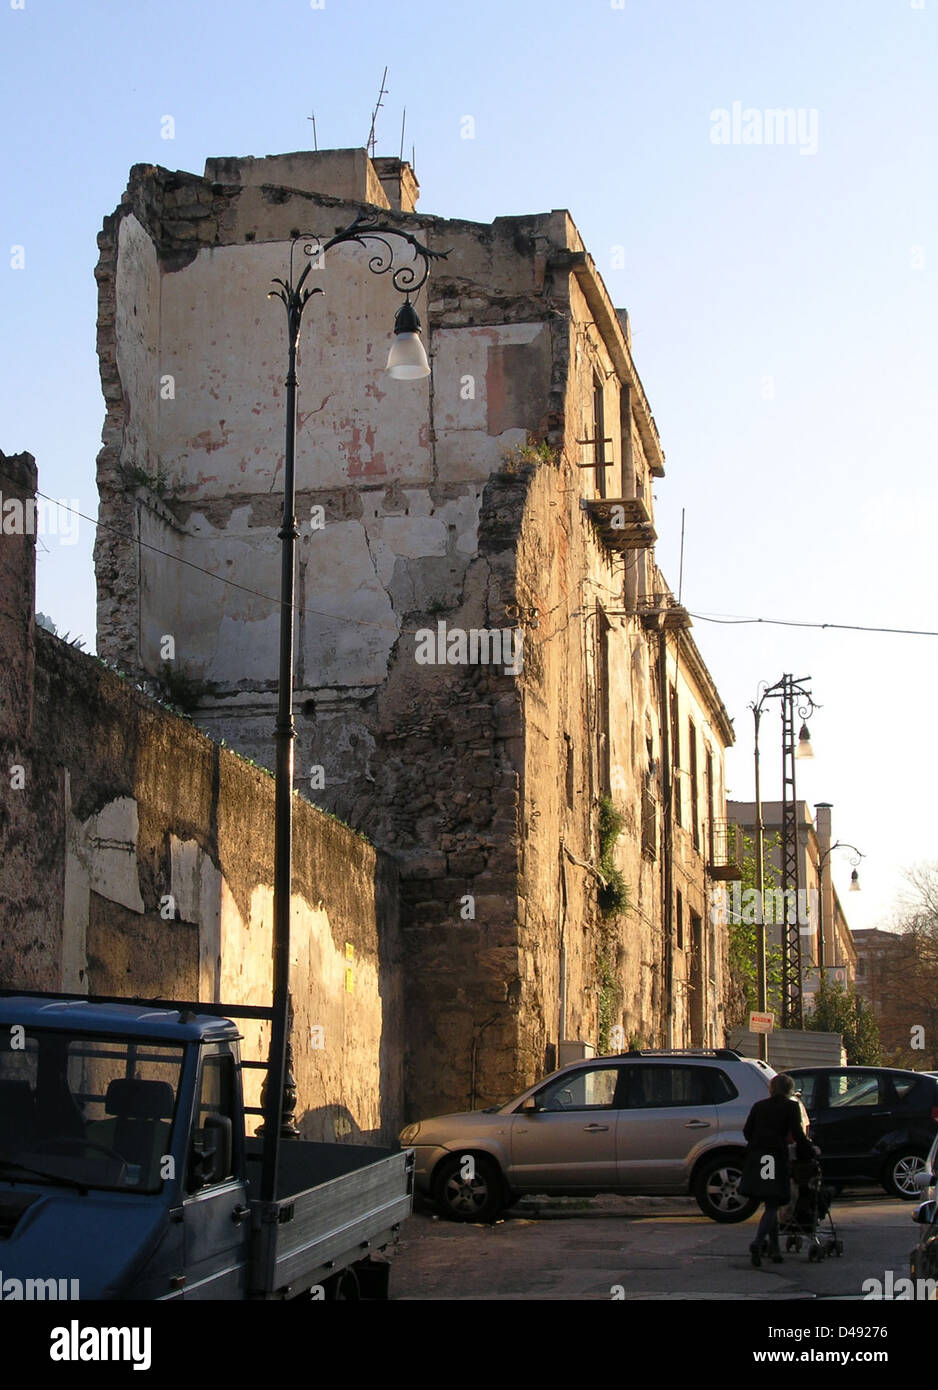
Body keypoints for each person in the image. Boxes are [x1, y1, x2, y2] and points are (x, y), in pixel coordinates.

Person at [739, 1072, 816, 1267]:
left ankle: (775, 1249)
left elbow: (747, 1132)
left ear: (772, 1088)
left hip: (757, 1156)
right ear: (789, 1090)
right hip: (773, 1157)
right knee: (773, 1203)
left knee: (769, 1203)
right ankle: (757, 1243)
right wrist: (809, 1150)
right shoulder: (791, 1107)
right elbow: (798, 1133)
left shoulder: (759, 1106)